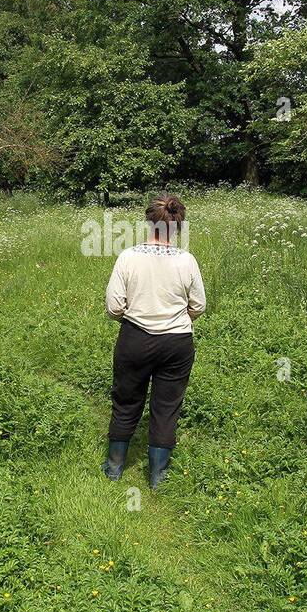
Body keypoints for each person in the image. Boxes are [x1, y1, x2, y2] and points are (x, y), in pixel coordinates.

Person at [102, 193, 206, 488]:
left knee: (125, 401)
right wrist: (176, 319)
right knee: (166, 407)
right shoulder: (186, 261)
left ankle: (113, 469)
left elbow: (113, 307)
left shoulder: (128, 257)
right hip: (177, 343)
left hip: (135, 339)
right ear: (179, 228)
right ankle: (157, 478)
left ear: (148, 223)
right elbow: (198, 305)